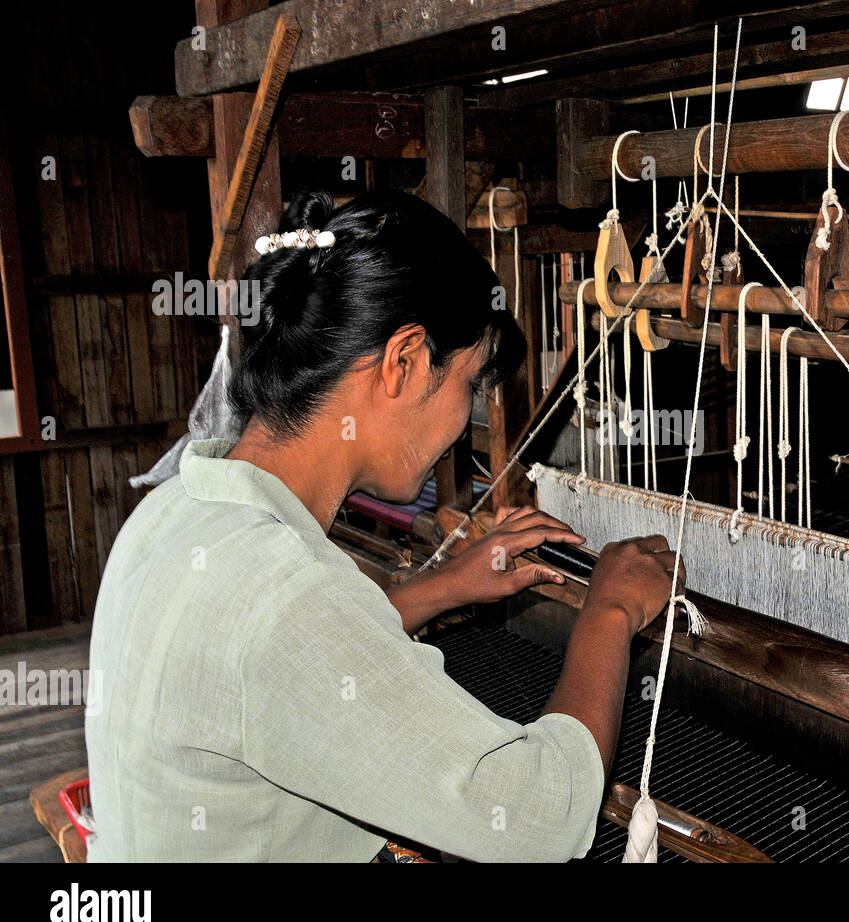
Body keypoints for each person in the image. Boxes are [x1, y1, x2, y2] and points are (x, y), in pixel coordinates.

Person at [85, 188, 680, 862]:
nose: (462, 424)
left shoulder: (170, 510)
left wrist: (439, 589)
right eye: (468, 383)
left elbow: (259, 667)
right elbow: (541, 813)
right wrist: (610, 608)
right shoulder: (290, 598)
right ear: (403, 362)